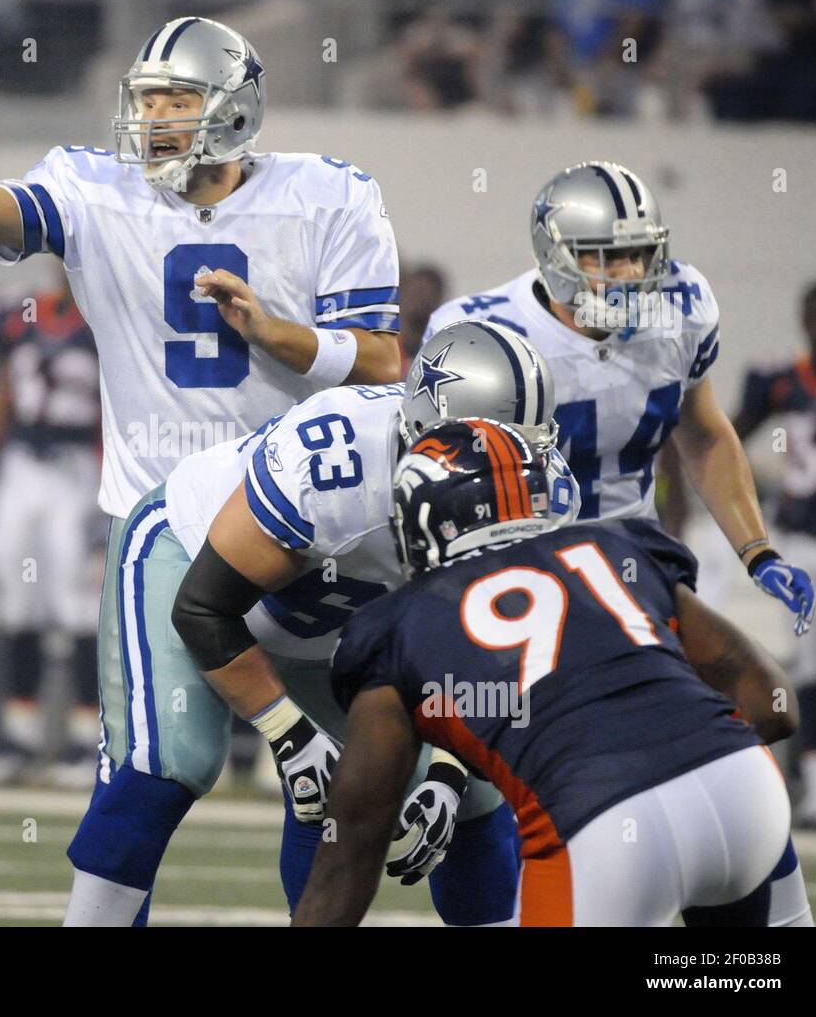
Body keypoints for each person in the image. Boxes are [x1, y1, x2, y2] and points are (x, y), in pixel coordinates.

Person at [0, 15, 405, 921]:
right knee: (161, 765)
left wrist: (278, 334)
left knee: (345, 781)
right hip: (171, 524)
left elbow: (385, 363)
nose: (154, 121)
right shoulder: (93, 186)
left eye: (178, 101)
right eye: (147, 101)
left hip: (306, 526)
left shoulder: (329, 196)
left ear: (232, 111)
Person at [71, 320, 577, 926]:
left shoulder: (544, 498)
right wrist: (287, 731)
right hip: (192, 561)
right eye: (480, 457)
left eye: (519, 455)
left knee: (473, 799)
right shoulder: (336, 464)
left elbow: (491, 657)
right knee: (174, 759)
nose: (503, 478)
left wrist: (447, 771)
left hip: (334, 627)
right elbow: (204, 607)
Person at [423, 160, 816, 925]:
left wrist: (755, 549)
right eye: (604, 256)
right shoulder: (488, 337)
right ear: (555, 255)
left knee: (725, 747)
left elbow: (703, 431)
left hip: (637, 582)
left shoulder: (685, 305)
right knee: (530, 789)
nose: (628, 273)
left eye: (638, 253)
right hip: (526, 587)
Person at [294, 418, 795, 926]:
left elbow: (352, 846)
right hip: (746, 791)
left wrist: (620, 784)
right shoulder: (620, 546)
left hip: (601, 824)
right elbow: (773, 701)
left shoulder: (394, 626)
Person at [0, 280, 103, 784]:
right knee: (15, 602)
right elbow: (1, 393)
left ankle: (87, 741)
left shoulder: (104, 314)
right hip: (22, 464)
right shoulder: (19, 314)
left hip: (78, 466)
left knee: (78, 604)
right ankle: (17, 736)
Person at [734, 282, 816, 827]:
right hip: (806, 542)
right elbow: (725, 437)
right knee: (812, 670)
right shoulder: (780, 381)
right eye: (813, 313)